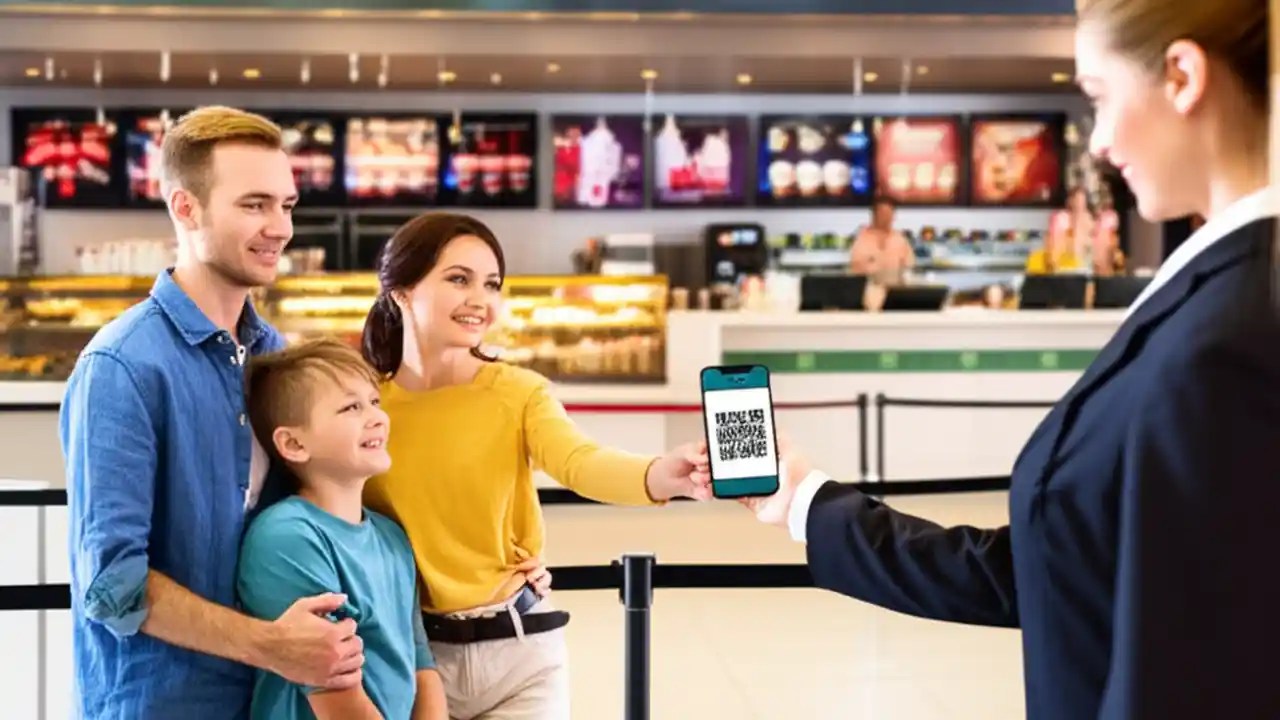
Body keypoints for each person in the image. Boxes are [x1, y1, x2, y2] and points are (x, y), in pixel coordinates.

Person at [739, 1, 1279, 719]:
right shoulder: (1212, 295)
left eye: (1098, 97)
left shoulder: (1231, 333)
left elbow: (1199, 667)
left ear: (1182, 76)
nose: (1096, 142)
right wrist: (808, 503)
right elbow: (1062, 572)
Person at [59, 106, 363, 719]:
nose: (280, 228)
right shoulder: (121, 366)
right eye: (254, 205)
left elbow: (326, 500)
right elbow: (113, 585)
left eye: (287, 205)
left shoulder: (274, 355)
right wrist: (272, 646)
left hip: (270, 701)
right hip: (161, 704)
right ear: (186, 208)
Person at [359, 212, 710, 719]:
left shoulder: (518, 392)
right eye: (458, 279)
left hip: (520, 652)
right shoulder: (365, 404)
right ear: (401, 291)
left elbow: (579, 461)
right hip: (408, 657)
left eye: (491, 284)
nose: (479, 299)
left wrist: (660, 475)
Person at [237, 338, 447, 720]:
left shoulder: (392, 538)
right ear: (294, 444)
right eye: (352, 407)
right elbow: (336, 694)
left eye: (375, 401)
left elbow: (421, 661)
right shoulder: (287, 538)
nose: (377, 417)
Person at [848, 197, 914, 284]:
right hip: (869, 289)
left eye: (890, 213)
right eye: (883, 213)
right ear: (874, 215)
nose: (887, 217)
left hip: (895, 289)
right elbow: (856, 270)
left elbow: (909, 267)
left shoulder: (900, 240)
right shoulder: (861, 240)